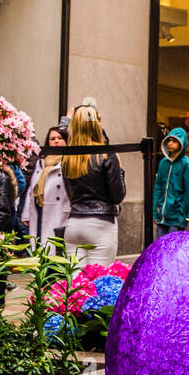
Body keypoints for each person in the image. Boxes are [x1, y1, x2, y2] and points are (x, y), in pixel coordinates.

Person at [61, 105, 126, 265]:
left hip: (74, 224)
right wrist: (121, 170)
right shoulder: (107, 155)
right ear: (97, 125)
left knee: (76, 285)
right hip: (101, 224)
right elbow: (117, 196)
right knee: (99, 282)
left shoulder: (68, 157)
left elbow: (70, 194)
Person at [20, 125, 71, 249]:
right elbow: (32, 188)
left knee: (53, 246)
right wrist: (26, 213)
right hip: (38, 207)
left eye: (60, 138)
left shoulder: (69, 162)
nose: (56, 141)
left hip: (58, 210)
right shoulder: (41, 161)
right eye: (52, 138)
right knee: (38, 243)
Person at [153, 127, 189, 237]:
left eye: (175, 141)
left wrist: (182, 216)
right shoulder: (163, 163)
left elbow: (187, 192)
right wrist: (155, 210)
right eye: (169, 140)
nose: (170, 143)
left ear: (182, 143)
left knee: (173, 249)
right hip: (162, 216)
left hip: (176, 217)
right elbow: (158, 186)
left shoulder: (187, 164)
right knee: (160, 248)